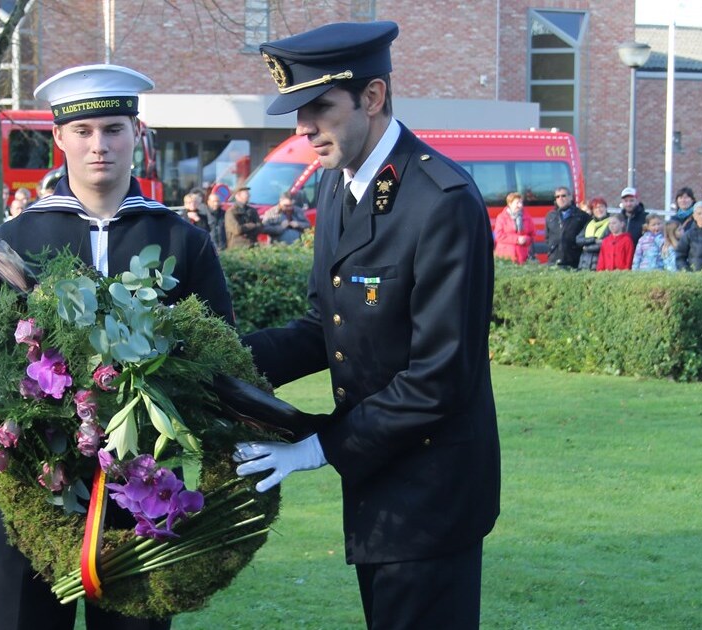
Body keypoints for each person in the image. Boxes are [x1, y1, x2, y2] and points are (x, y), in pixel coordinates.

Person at [232, 21, 499, 629]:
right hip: (380, 482)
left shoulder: (442, 199)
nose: (303, 128)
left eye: (319, 108)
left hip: (434, 493)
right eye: (298, 110)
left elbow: (439, 377)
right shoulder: (339, 183)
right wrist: (216, 361)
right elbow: (323, 326)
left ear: (373, 98)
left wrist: (318, 447)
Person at [0, 63, 234, 630]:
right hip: (36, 482)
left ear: (136, 134)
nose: (100, 145)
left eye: (114, 129)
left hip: (143, 487)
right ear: (60, 138)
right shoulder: (14, 242)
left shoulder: (179, 239)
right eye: (84, 131)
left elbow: (221, 356)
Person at [493, 191, 535, 264]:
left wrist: (526, 239)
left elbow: (532, 235)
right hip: (505, 256)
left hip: (522, 256)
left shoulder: (527, 217)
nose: (520, 205)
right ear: (510, 204)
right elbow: (498, 236)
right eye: (517, 203)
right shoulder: (501, 217)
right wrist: (517, 239)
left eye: (521, 203)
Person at [544, 186, 576, 267]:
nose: (560, 199)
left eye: (563, 196)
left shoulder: (581, 216)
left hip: (573, 260)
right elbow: (547, 237)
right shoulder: (550, 216)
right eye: (557, 197)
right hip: (554, 259)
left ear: (570, 197)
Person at [575, 197, 610, 271]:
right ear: (592, 211)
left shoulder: (611, 223)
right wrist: (594, 240)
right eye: (596, 208)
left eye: (601, 207)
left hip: (600, 264)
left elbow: (605, 243)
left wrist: (586, 248)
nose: (599, 210)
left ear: (606, 208)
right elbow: (578, 240)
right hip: (584, 264)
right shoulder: (589, 224)